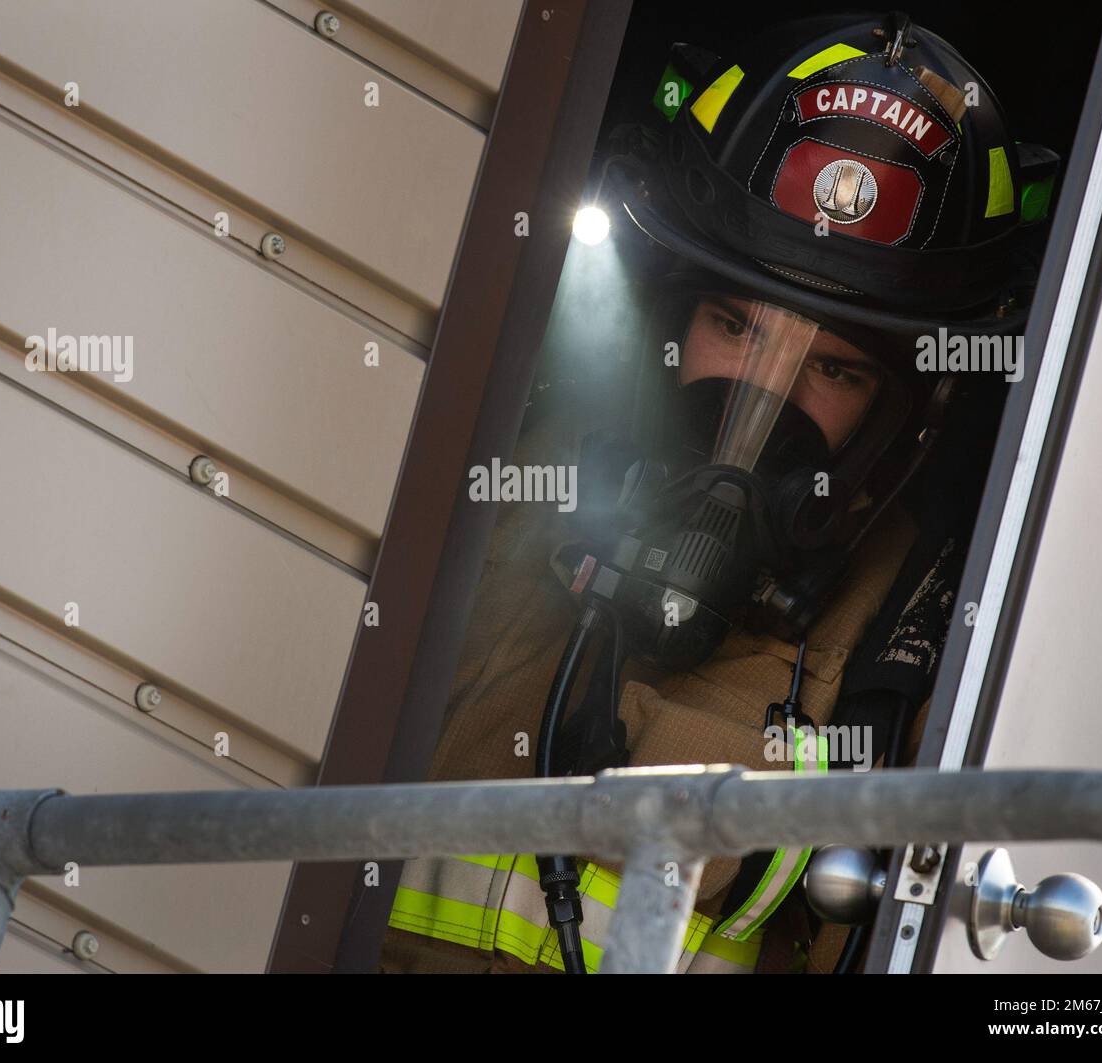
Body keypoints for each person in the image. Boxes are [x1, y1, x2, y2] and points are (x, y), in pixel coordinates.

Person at [380, 10, 1050, 974]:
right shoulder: (510, 492)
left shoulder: (908, 652)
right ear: (666, 318)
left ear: (906, 420)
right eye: (734, 325)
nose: (762, 401)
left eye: (836, 371)